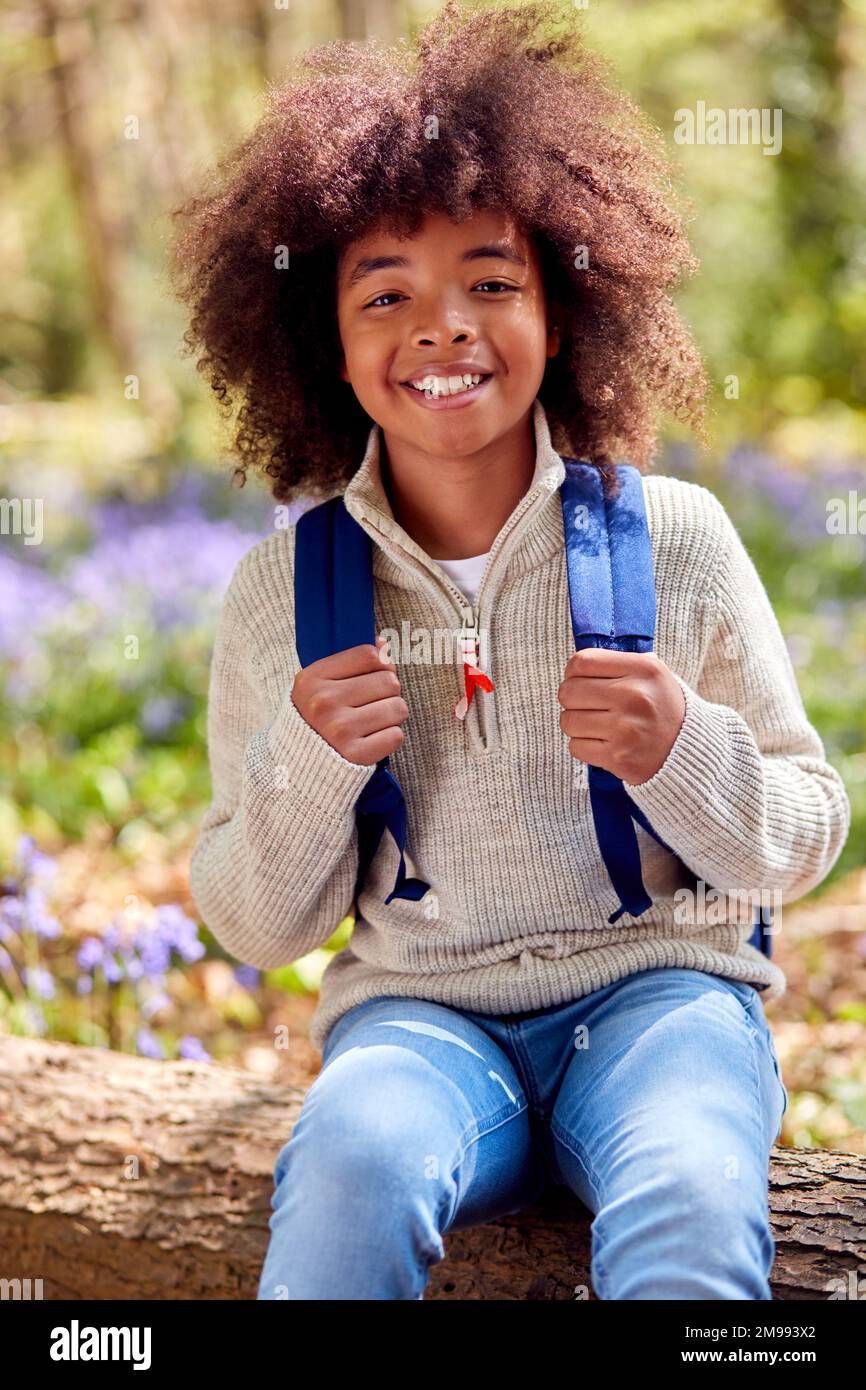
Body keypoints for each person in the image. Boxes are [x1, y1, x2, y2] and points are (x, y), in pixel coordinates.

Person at [171, 0, 851, 1299]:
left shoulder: (675, 539)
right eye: (388, 294)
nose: (442, 327)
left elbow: (807, 831)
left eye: (491, 282)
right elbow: (253, 924)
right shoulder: (282, 596)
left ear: (566, 304)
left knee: (692, 1197)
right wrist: (309, 762)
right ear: (325, 339)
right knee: (350, 1170)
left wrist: (681, 752)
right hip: (421, 1025)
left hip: (665, 1005)